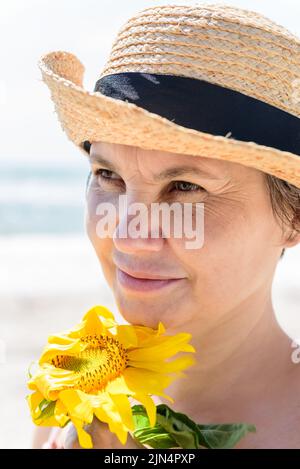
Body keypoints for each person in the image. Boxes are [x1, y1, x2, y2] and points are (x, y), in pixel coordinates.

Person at [33, 3, 300, 448]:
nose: (126, 234)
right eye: (108, 176)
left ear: (293, 218)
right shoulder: (73, 392)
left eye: (184, 186)